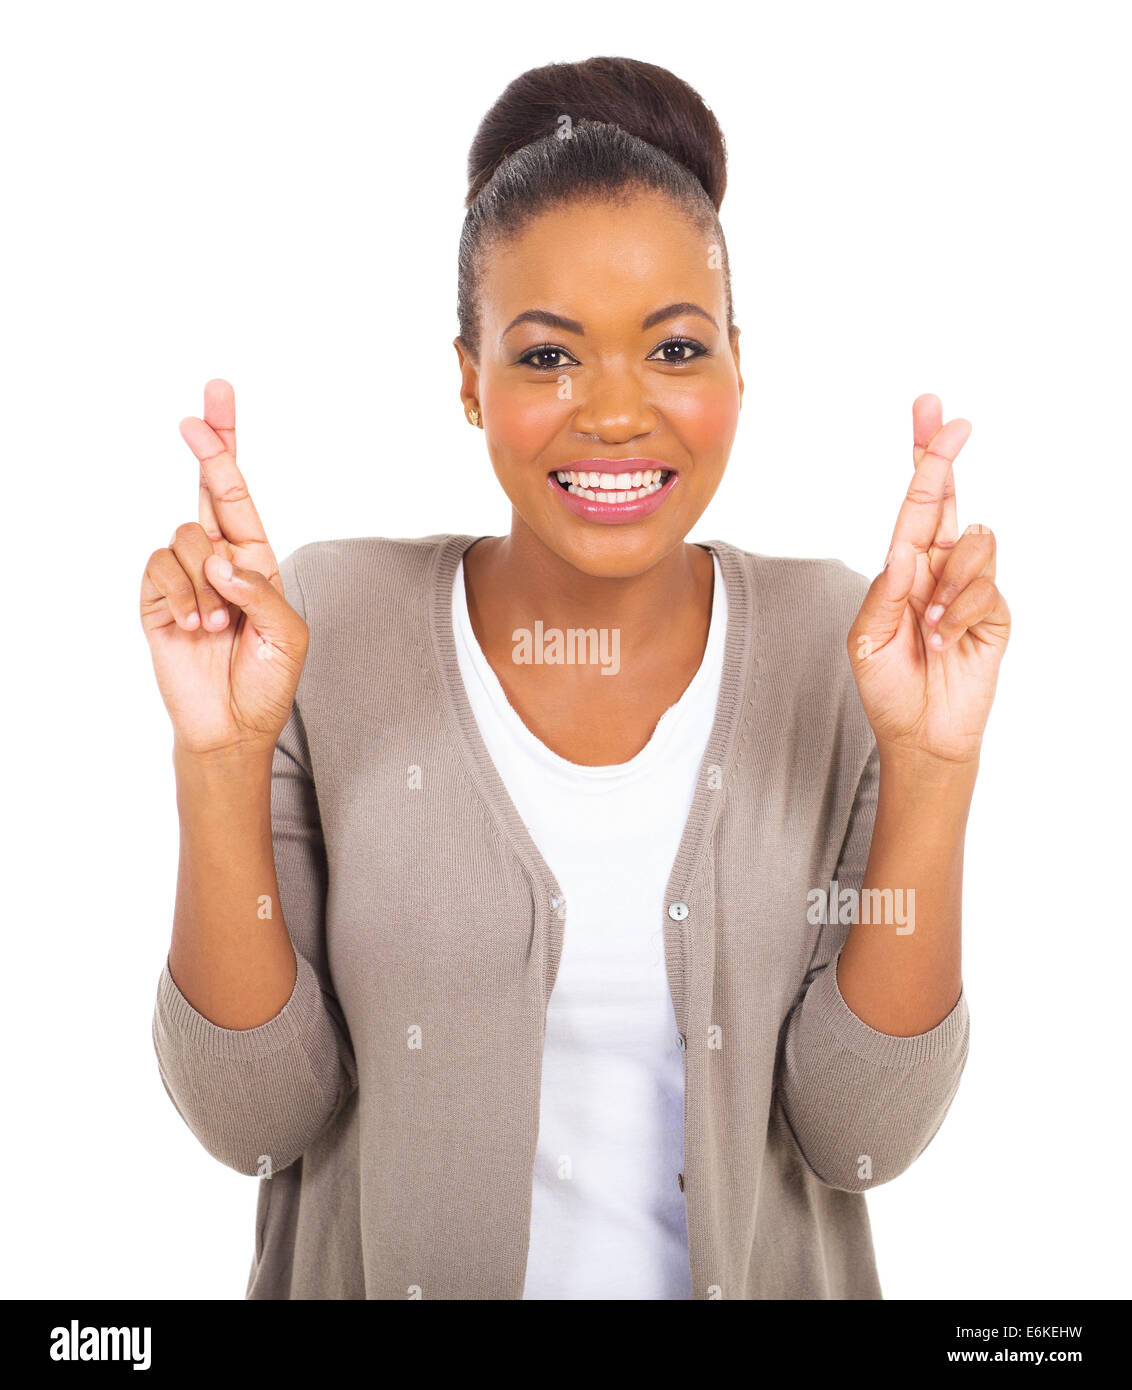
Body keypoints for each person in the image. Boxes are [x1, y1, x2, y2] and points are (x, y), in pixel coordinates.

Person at [141, 56, 1010, 1300]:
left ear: (736, 370)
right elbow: (254, 1122)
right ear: (467, 378)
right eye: (547, 358)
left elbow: (859, 1131)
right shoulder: (329, 625)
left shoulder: (843, 643)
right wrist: (216, 758)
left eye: (672, 347)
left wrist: (931, 766)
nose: (613, 412)